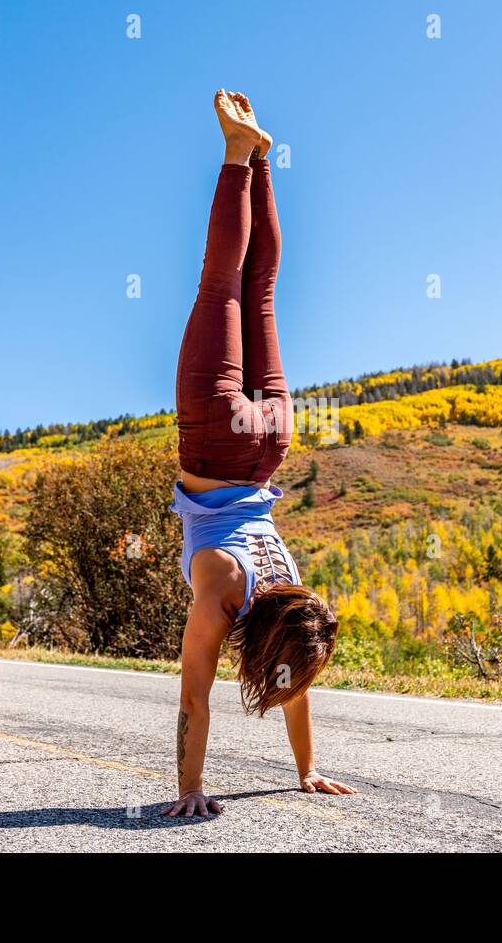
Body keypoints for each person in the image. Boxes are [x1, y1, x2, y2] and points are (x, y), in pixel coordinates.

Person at [160, 91, 357, 818]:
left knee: (260, 291)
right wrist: (188, 789)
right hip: (214, 436)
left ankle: (262, 158)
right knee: (222, 286)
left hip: (272, 437)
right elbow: (192, 695)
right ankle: (236, 152)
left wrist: (309, 769)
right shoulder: (224, 590)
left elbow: (300, 673)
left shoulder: (298, 594)